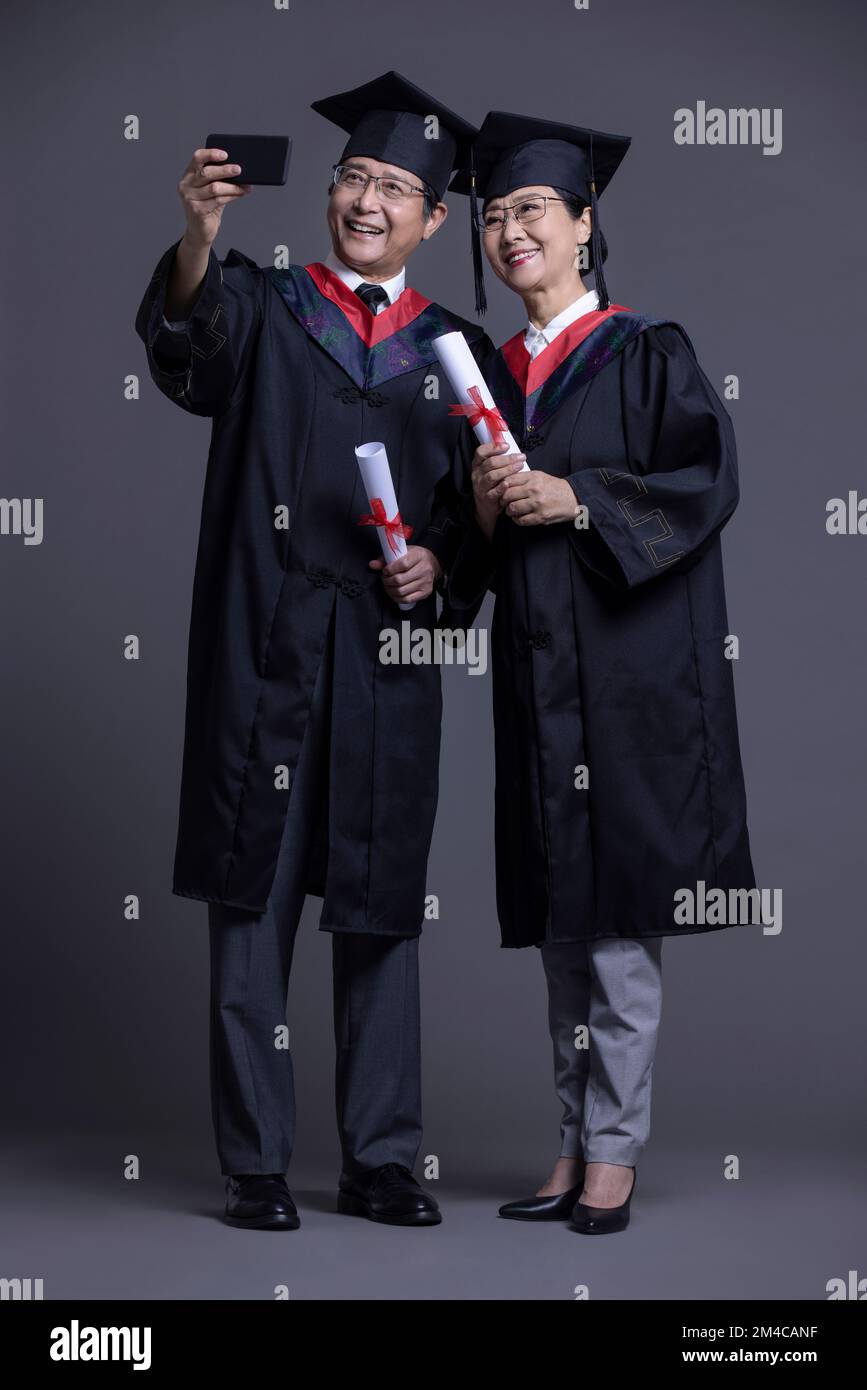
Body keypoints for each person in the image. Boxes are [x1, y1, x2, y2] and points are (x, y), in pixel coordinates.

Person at [134, 72, 493, 1231]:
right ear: (331, 193)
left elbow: (479, 517)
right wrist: (198, 234)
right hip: (267, 644)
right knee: (253, 895)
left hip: (387, 656)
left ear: (435, 218)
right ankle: (254, 1160)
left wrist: (439, 562)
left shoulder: (456, 352)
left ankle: (383, 1157)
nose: (369, 199)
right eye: (355, 178)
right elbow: (188, 346)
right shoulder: (265, 305)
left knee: (382, 901)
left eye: (396, 186)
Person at [444, 111, 756, 1233]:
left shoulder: (646, 350)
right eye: (490, 215)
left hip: (629, 684)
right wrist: (480, 506)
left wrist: (580, 499)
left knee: (619, 922)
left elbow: (709, 479)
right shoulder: (491, 378)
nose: (508, 229)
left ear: (585, 222)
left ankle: (614, 1151)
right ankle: (570, 1144)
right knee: (562, 924)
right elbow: (467, 558)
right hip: (539, 685)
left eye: (529, 208)